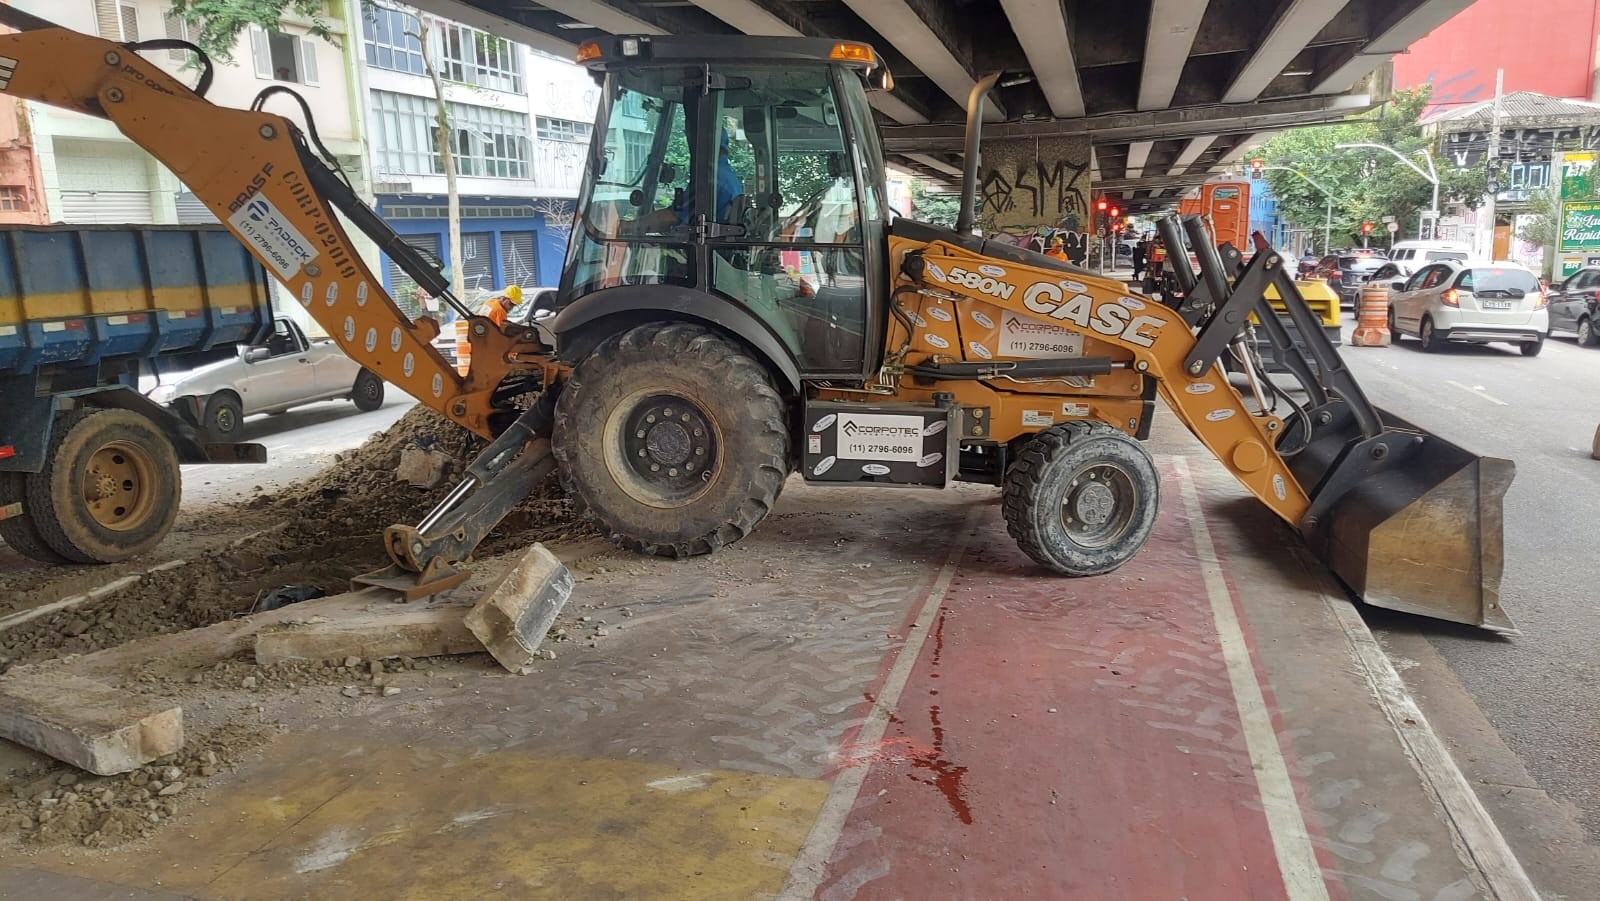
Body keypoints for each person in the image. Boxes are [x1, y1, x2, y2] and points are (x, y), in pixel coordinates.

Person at [625, 128, 743, 235]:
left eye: (691, 141)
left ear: (702, 144)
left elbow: (670, 219)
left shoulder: (711, 180)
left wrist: (625, 226)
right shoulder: (730, 179)